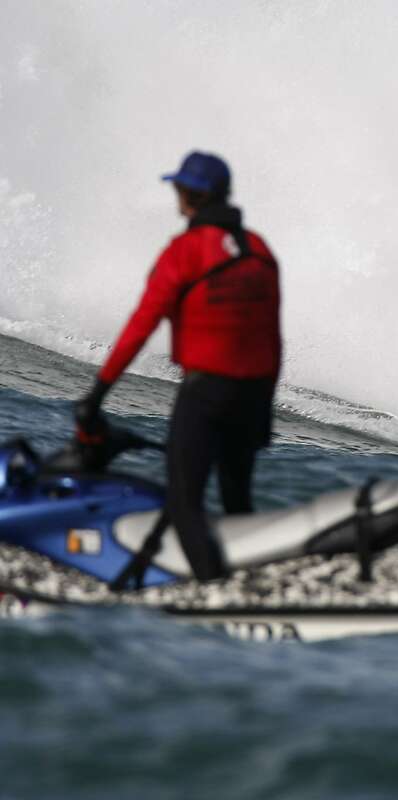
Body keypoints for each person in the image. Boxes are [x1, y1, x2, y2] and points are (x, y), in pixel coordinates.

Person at [75, 151, 281, 580]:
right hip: (254, 394)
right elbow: (272, 337)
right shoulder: (260, 250)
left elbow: (140, 326)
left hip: (206, 392)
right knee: (236, 499)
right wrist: (264, 406)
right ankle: (257, 578)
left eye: (180, 188)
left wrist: (96, 394)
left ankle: (215, 593)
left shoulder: (185, 251)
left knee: (185, 501)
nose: (176, 196)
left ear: (192, 196)